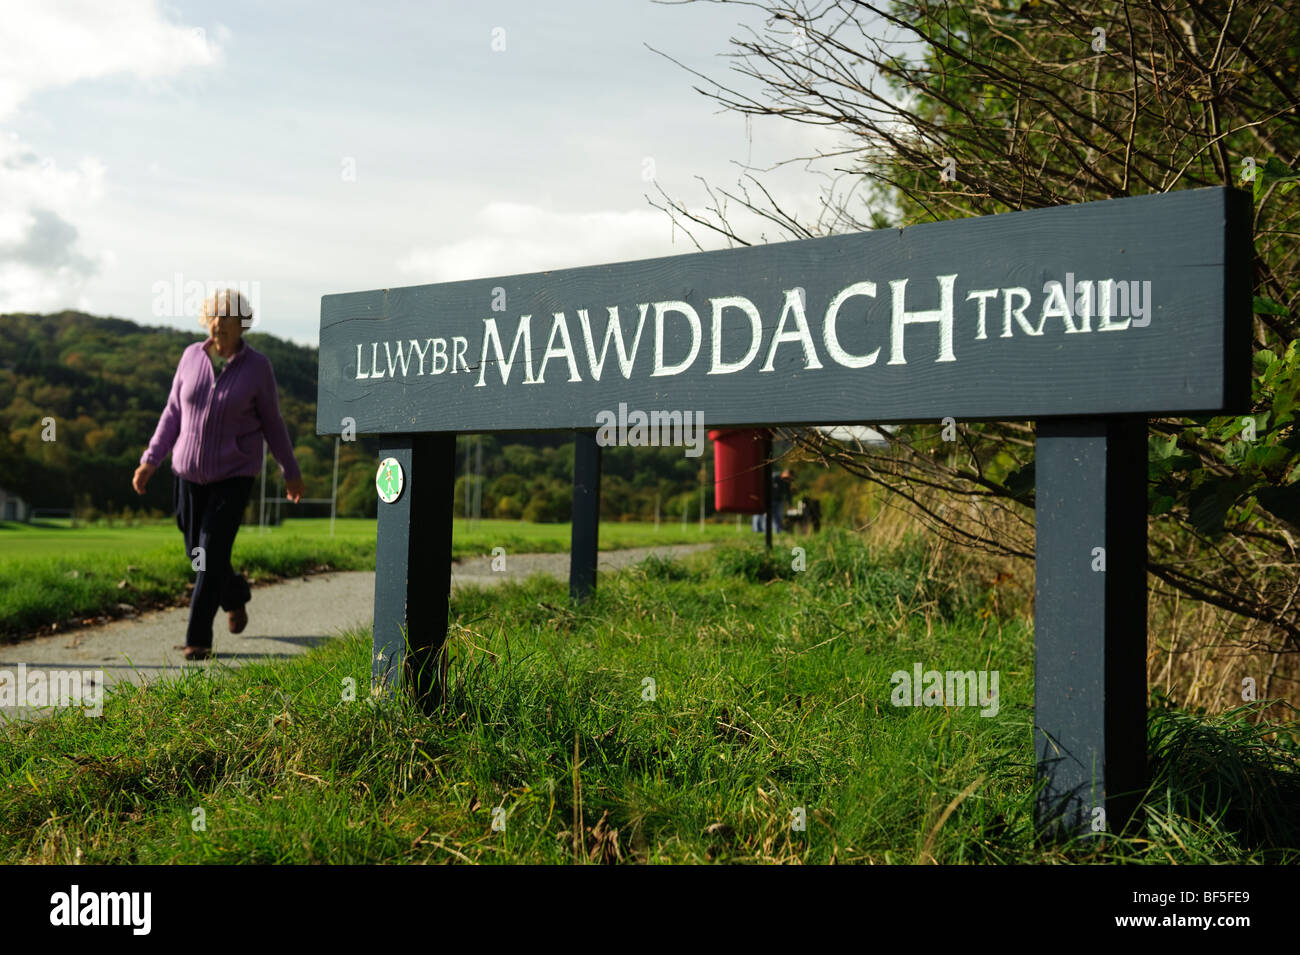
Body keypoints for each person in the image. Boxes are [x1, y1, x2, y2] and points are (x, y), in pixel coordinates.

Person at [132, 289, 304, 660]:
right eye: (212, 316)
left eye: (226, 318)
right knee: (196, 549)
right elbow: (172, 413)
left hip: (234, 474)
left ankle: (198, 639)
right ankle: (235, 594)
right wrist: (151, 459)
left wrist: (290, 470)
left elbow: (273, 424)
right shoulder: (191, 356)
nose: (217, 324)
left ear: (243, 324)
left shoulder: (258, 368)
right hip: (187, 472)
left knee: (209, 554)